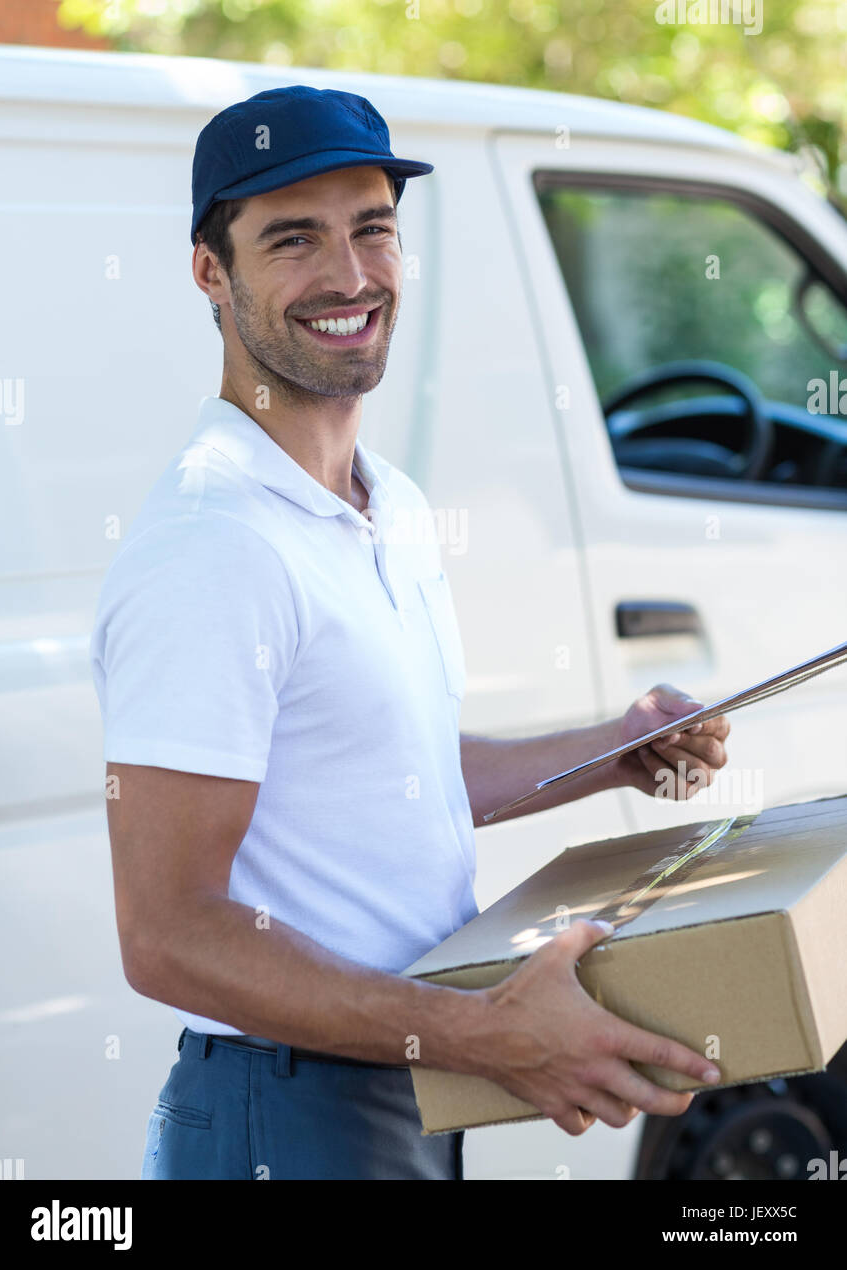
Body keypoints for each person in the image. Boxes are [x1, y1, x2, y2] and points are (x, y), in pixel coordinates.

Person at [89, 85, 730, 1181]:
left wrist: (608, 751)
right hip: (284, 1116)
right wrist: (484, 1034)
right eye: (292, 239)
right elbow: (168, 931)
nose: (347, 276)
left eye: (371, 228)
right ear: (211, 272)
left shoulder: (389, 503)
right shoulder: (212, 542)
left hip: (395, 1092)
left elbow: (391, 777)